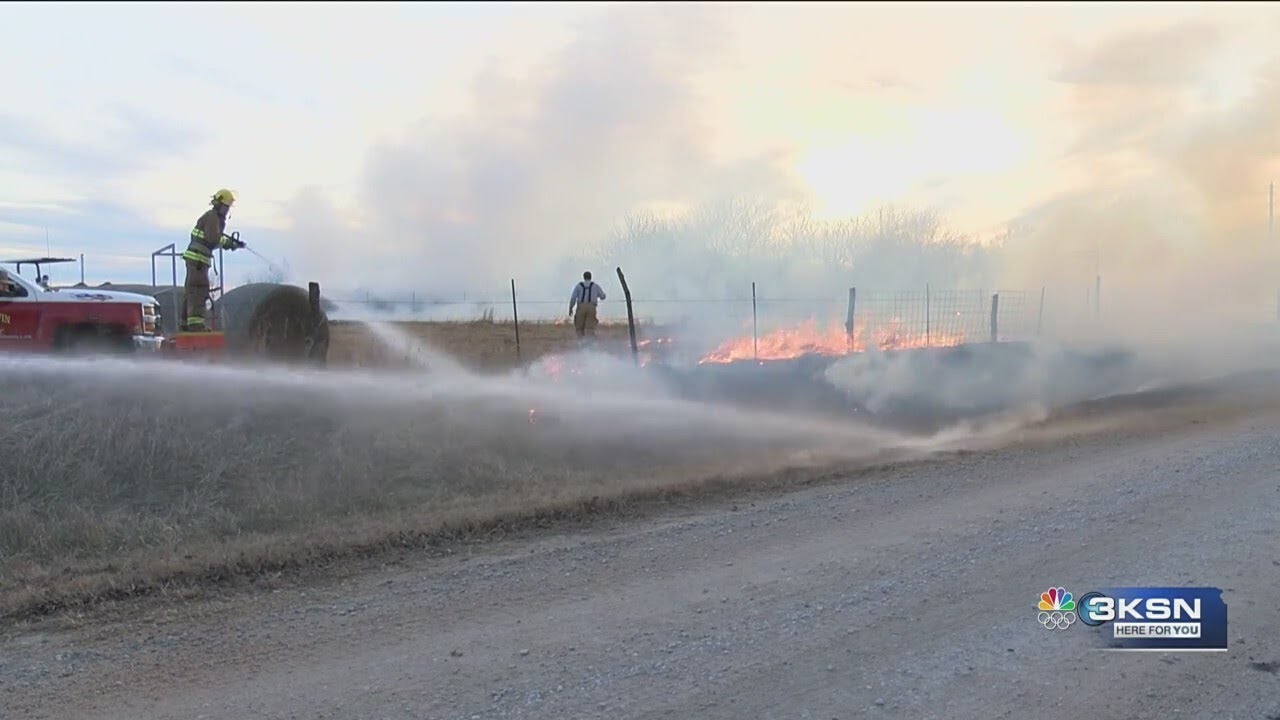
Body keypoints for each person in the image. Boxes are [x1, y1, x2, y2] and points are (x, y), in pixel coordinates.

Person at [181, 189, 245, 331]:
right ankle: (196, 326)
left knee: (192, 291)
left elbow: (211, 239)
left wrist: (231, 243)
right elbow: (213, 238)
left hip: (197, 260)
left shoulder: (212, 217)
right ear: (219, 205)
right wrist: (229, 244)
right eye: (226, 207)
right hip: (198, 261)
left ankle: (186, 324)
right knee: (199, 290)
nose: (227, 210)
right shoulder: (212, 218)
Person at [568, 270, 606, 339]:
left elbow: (573, 298)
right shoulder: (595, 286)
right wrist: (596, 295)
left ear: (584, 277)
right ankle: (589, 342)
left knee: (579, 327)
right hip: (592, 307)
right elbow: (603, 296)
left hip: (581, 307)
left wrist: (570, 308)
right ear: (591, 277)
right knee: (590, 327)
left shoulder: (579, 286)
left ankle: (581, 341)